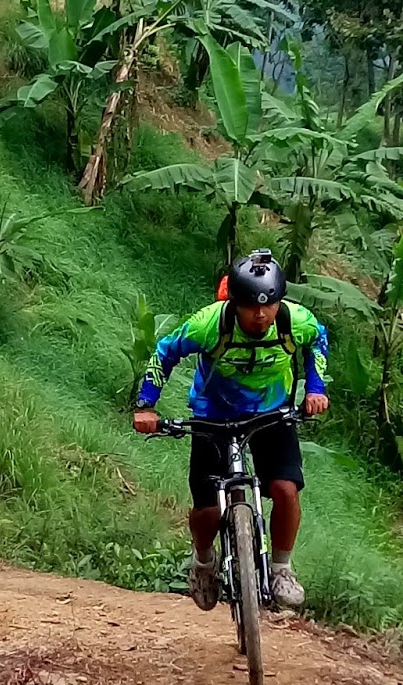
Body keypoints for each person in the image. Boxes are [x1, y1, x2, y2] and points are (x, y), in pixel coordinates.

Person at [132, 250, 329, 611]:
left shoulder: (295, 321)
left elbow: (318, 340)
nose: (260, 315)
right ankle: (204, 564)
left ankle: (281, 569)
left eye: (269, 306)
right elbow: (165, 351)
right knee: (207, 508)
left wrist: (316, 389)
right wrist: (147, 405)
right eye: (251, 306)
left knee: (286, 490)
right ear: (234, 303)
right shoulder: (209, 324)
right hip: (213, 416)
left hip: (272, 413)